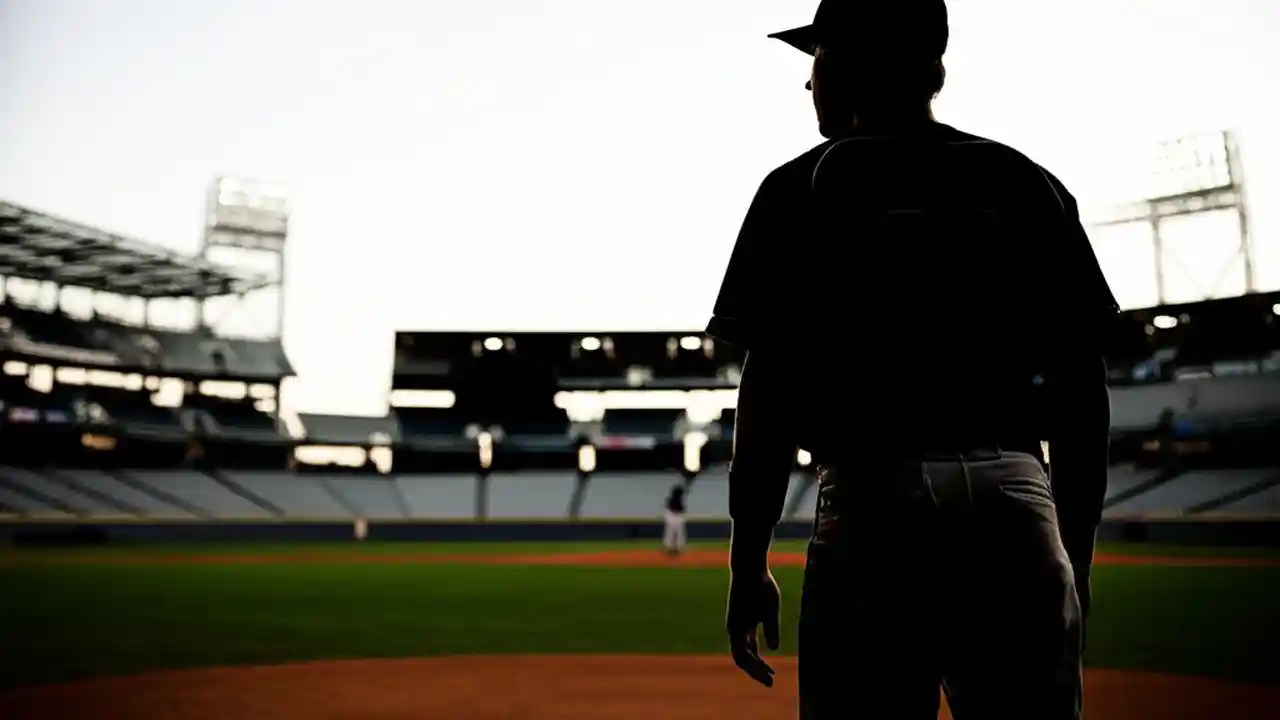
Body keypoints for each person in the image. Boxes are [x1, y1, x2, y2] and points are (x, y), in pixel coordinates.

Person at [706, 1, 1119, 717]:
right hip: (1017, 499)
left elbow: (767, 391)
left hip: (874, 497)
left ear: (855, 68)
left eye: (819, 60)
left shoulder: (800, 187)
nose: (809, 84)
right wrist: (1072, 557)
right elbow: (1084, 392)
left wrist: (749, 562)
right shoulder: (1025, 181)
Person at [663, 483, 688, 555]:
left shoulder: (679, 500)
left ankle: (678, 546)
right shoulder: (672, 499)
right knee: (670, 530)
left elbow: (682, 509)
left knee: (679, 530)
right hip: (670, 514)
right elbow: (670, 508)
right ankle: (669, 546)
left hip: (677, 515)